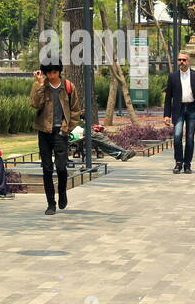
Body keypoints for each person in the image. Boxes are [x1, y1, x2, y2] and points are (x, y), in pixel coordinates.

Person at [30, 61, 82, 215]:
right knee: (47, 168)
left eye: (54, 72)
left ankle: (62, 193)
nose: (51, 76)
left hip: (61, 132)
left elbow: (75, 110)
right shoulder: (39, 86)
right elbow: (34, 104)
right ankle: (50, 204)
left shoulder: (68, 86)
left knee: (61, 167)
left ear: (59, 71)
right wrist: (40, 85)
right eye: (48, 73)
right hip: (44, 132)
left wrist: (66, 128)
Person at [163, 51, 195, 174]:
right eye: (179, 60)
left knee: (189, 138)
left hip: (192, 109)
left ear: (189, 61)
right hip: (179, 110)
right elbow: (168, 97)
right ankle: (178, 163)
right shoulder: (172, 76)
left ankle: (187, 164)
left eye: (184, 60)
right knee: (177, 136)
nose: (181, 62)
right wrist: (166, 114)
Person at [69, 124, 137, 162]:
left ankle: (124, 152)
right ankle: (121, 155)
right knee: (102, 145)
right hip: (80, 135)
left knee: (106, 143)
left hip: (83, 133)